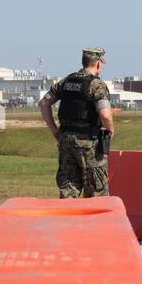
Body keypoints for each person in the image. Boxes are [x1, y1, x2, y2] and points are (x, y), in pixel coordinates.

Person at [38, 48, 113, 198]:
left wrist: (55, 131)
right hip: (89, 143)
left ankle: (67, 221)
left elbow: (44, 103)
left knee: (68, 191)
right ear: (98, 64)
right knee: (97, 194)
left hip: (66, 140)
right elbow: (105, 114)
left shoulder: (65, 82)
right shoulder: (97, 85)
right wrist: (111, 129)